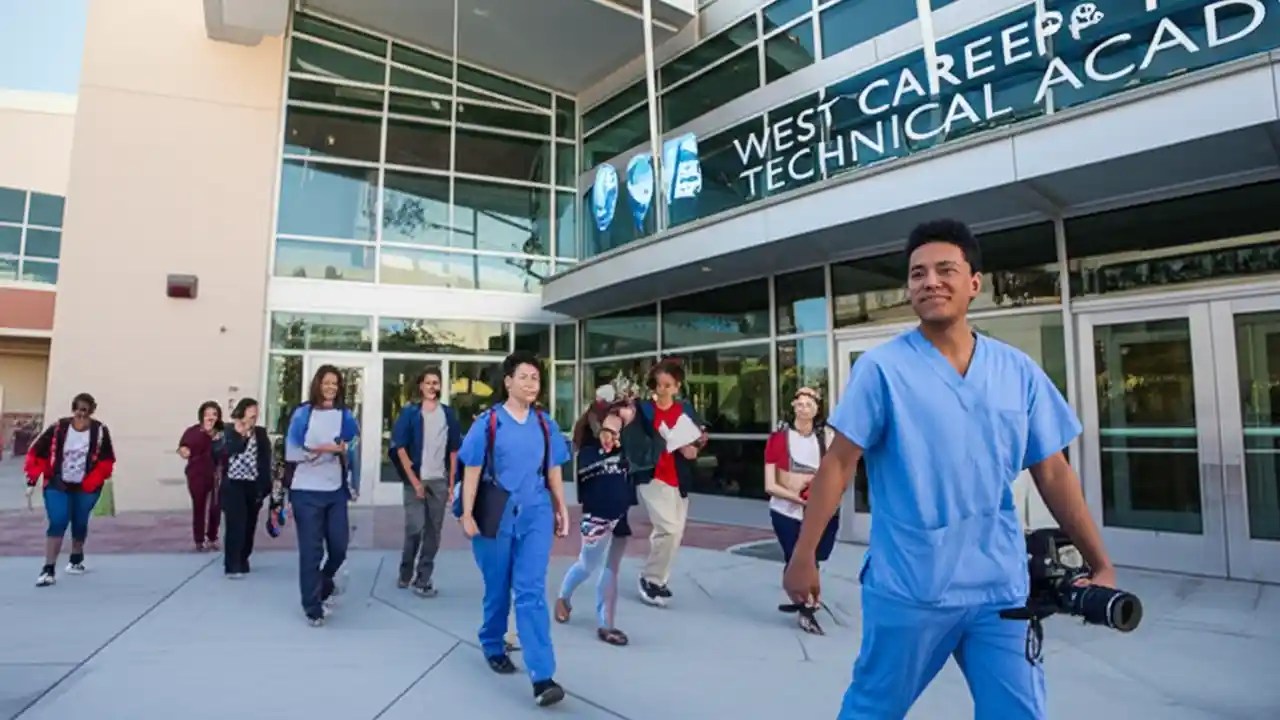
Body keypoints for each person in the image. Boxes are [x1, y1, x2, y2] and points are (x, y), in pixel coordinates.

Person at [783, 219, 1117, 719]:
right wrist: (804, 554)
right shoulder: (882, 369)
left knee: (1019, 713)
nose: (930, 281)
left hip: (1000, 589)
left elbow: (1053, 472)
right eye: (918, 274)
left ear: (975, 283)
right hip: (911, 585)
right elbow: (838, 463)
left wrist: (1100, 563)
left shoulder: (1016, 371)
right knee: (873, 709)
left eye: (945, 269)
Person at [457, 350, 571, 708]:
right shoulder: (489, 422)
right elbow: (471, 468)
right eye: (523, 376)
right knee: (498, 588)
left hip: (535, 513)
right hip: (496, 514)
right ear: (507, 381)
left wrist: (560, 507)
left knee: (530, 590)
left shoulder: (544, 423)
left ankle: (543, 676)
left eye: (535, 378)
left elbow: (553, 469)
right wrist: (466, 514)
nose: (530, 383)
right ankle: (492, 642)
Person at [620, 358, 707, 607]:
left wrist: (694, 448)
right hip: (652, 474)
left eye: (669, 385)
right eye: (659, 385)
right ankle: (650, 578)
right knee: (668, 528)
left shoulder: (685, 410)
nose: (663, 390)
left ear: (677, 386)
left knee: (674, 532)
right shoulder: (643, 410)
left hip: (679, 476)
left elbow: (700, 437)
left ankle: (658, 580)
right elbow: (631, 438)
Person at [285, 365, 360, 627]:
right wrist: (320, 449)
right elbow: (291, 451)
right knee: (311, 551)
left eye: (335, 384)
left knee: (339, 548)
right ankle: (312, 607)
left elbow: (353, 446)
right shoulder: (303, 414)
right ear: (317, 384)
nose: (331, 388)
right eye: (326, 383)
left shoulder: (345, 415)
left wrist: (343, 452)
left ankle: (323, 585)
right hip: (306, 490)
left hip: (335, 490)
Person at [555, 409, 634, 646]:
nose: (612, 438)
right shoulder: (587, 454)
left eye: (617, 432)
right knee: (587, 565)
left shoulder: (625, 450)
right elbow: (591, 475)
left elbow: (633, 415)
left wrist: (622, 420)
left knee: (612, 569)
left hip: (621, 517)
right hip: (596, 518)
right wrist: (610, 443)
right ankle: (564, 597)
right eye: (607, 432)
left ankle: (606, 624)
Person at [764, 386, 838, 635]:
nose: (804, 407)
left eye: (810, 403)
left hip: (818, 511)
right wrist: (798, 498)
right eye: (800, 403)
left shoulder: (826, 440)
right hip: (787, 510)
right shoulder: (779, 439)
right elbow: (770, 484)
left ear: (818, 409)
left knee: (816, 557)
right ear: (793, 406)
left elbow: (837, 474)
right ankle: (805, 606)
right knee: (797, 557)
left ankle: (804, 597)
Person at [24, 393, 116, 587]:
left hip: (86, 485)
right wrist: (32, 480)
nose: (81, 414)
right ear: (73, 410)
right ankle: (48, 569)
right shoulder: (59, 429)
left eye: (85, 410)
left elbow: (107, 460)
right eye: (78, 409)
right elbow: (37, 452)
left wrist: (94, 480)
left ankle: (76, 557)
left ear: (91, 412)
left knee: (80, 520)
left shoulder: (99, 431)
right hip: (58, 483)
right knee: (58, 520)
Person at [390, 366, 461, 597]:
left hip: (438, 481)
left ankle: (423, 578)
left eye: (436, 382)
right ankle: (406, 571)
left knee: (433, 532)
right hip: (415, 481)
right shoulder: (410, 413)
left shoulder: (448, 414)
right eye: (428, 382)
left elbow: (453, 451)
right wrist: (415, 481)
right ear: (420, 386)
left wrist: (451, 483)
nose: (432, 387)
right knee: (415, 527)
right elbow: (400, 449)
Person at [218, 398, 272, 579]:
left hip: (253, 483)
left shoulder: (260, 434)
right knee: (236, 525)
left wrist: (266, 487)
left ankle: (243, 558)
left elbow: (265, 460)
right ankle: (232, 564)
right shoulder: (229, 431)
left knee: (249, 525)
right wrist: (243, 435)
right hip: (234, 484)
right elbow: (230, 450)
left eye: (256, 412)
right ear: (242, 412)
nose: (254, 415)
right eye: (251, 411)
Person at [178, 401, 224, 552]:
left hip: (216, 473)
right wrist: (184, 451)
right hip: (197, 473)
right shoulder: (193, 432)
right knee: (199, 506)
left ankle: (212, 537)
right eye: (207, 414)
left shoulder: (222, 433)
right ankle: (199, 539)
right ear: (202, 416)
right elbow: (184, 447)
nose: (211, 418)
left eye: (214, 414)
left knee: (215, 506)